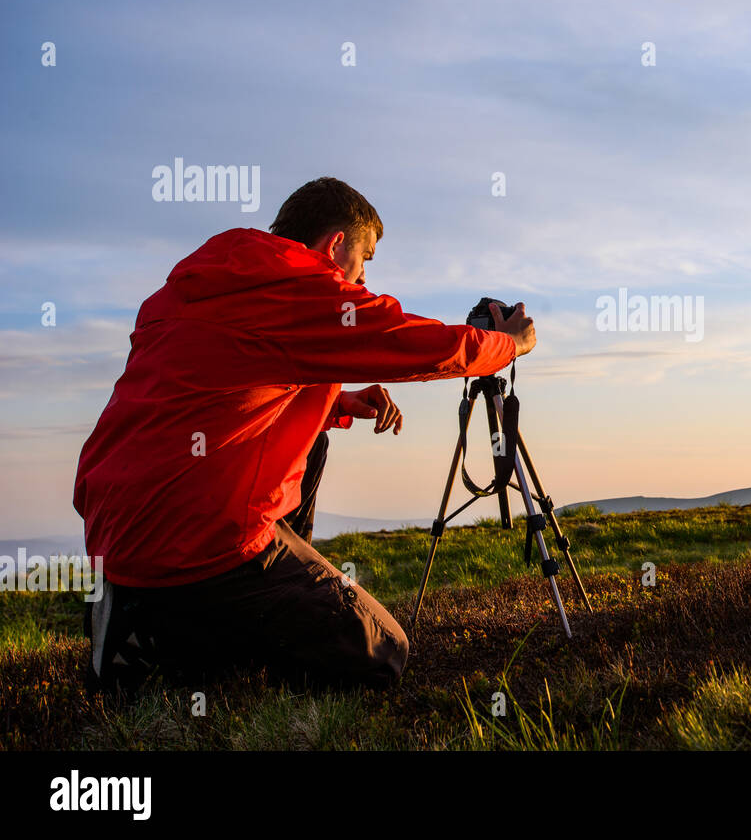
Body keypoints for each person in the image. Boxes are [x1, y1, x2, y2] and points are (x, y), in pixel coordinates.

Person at [74, 176, 536, 694]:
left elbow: (213, 391)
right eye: (366, 258)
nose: (362, 279)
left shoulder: (209, 279)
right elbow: (410, 341)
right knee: (383, 652)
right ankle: (191, 636)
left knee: (314, 439)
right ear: (336, 244)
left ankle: (145, 611)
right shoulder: (303, 288)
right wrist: (506, 343)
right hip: (203, 541)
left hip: (117, 533)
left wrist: (339, 404)